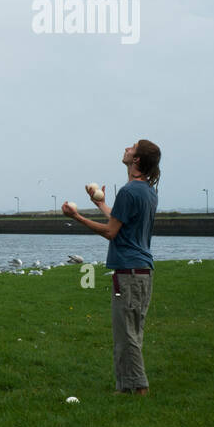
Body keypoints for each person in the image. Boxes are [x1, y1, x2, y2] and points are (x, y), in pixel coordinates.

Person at [62, 140, 162, 395]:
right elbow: (121, 222)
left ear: (137, 160)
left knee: (125, 335)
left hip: (128, 272)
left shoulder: (129, 191)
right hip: (142, 272)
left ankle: (138, 388)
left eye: (132, 147)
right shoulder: (147, 191)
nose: (127, 148)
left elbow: (110, 232)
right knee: (132, 332)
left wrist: (77, 217)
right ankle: (128, 387)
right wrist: (101, 204)